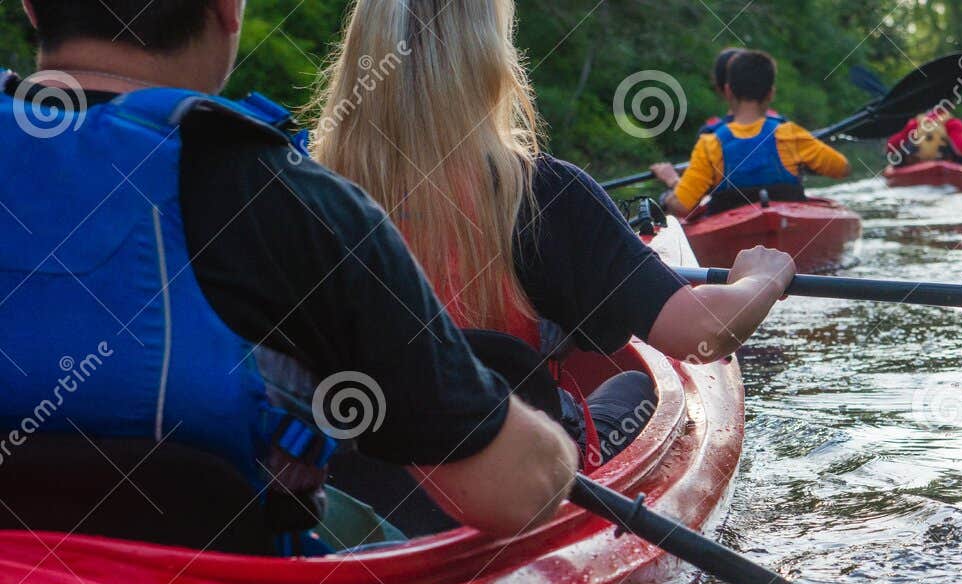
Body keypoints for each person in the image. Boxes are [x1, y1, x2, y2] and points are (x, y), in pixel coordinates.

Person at [0, 0, 575, 554]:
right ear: (227, 8)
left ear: (31, 6)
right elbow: (515, 496)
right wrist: (561, 451)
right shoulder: (292, 201)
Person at [313, 0, 794, 470]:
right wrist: (762, 279)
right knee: (636, 387)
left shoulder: (304, 191)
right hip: (519, 481)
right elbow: (701, 333)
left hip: (359, 492)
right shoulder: (540, 193)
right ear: (489, 56)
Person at [653, 50, 849, 219]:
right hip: (788, 220)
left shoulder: (709, 143)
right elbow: (842, 168)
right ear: (771, 93)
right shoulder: (789, 133)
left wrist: (670, 188)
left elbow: (681, 206)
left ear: (728, 91)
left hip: (731, 229)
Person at [886, 106, 962, 167]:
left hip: (915, 165)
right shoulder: (952, 123)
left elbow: (891, 147)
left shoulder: (915, 123)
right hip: (946, 166)